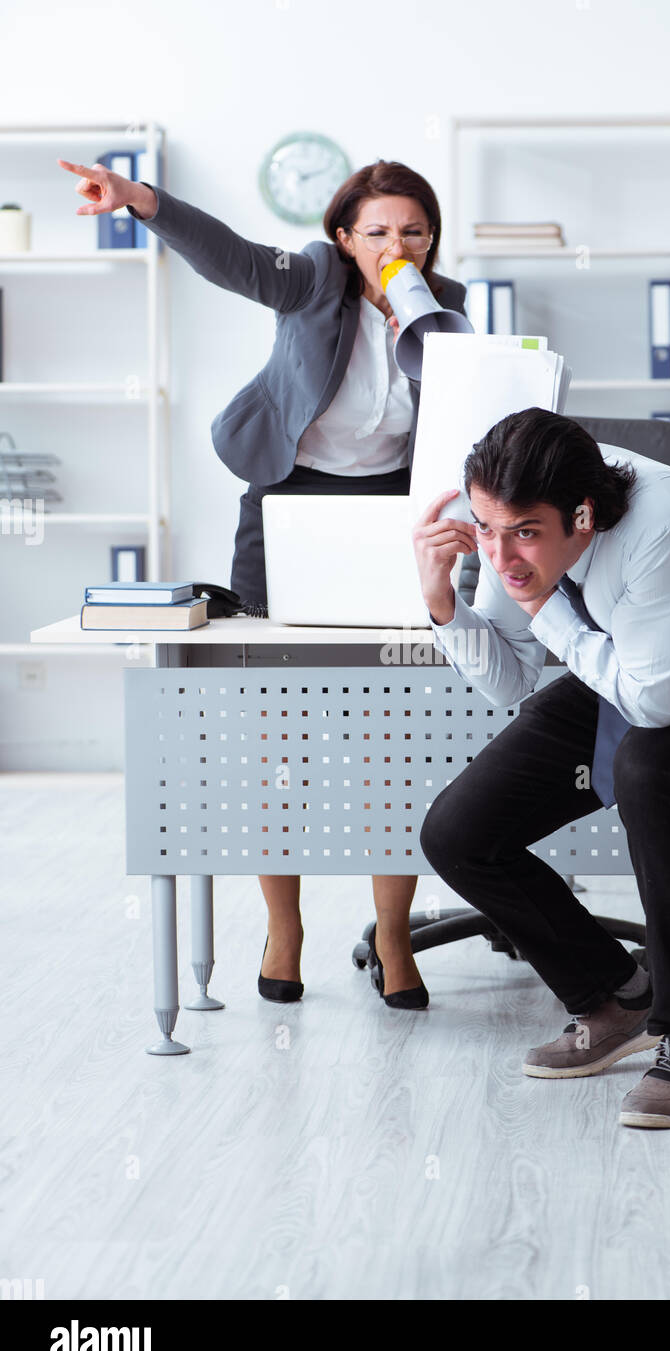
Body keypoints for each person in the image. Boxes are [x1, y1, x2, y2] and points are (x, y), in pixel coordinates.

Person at [59, 154, 469, 1011]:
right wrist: (139, 199)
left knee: (390, 741)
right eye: (380, 231)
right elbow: (232, 258)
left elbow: (466, 419)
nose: (398, 245)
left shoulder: (448, 307)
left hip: (386, 518)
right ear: (343, 235)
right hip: (288, 504)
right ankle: (284, 929)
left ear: (432, 239)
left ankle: (393, 933)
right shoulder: (315, 278)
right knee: (274, 738)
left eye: (414, 231)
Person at [412, 407, 670, 1128]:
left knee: (647, 768)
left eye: (524, 535)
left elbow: (653, 707)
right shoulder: (514, 510)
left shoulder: (664, 531)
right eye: (486, 528)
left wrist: (544, 605)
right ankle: (613, 996)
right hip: (631, 657)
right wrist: (441, 602)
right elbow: (512, 680)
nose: (502, 556)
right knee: (458, 832)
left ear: (583, 517)